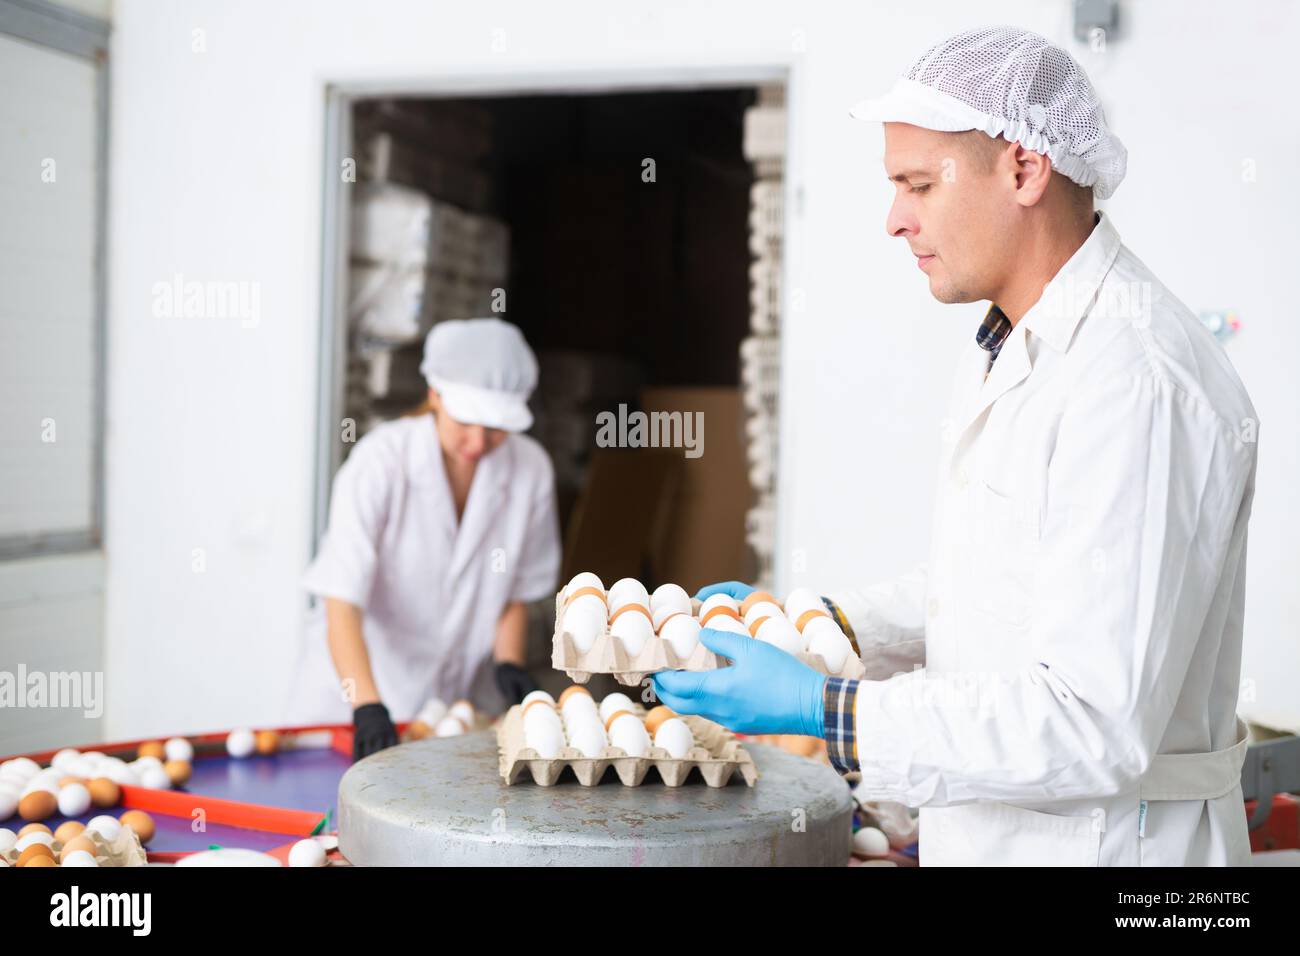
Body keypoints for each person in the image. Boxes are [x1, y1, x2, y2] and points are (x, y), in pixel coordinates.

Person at [654, 26, 1258, 866]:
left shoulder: (1135, 378)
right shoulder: (1020, 342)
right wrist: (827, 627)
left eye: (919, 184)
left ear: (1024, 169)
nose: (894, 220)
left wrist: (826, 708)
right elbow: (1007, 580)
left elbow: (1091, 725)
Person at [290, 318, 560, 760]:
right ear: (435, 395)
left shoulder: (530, 470)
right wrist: (367, 706)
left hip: (448, 710)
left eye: (496, 427)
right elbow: (341, 601)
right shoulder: (380, 462)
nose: (479, 441)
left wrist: (508, 662)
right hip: (355, 700)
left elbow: (516, 591)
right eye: (466, 421)